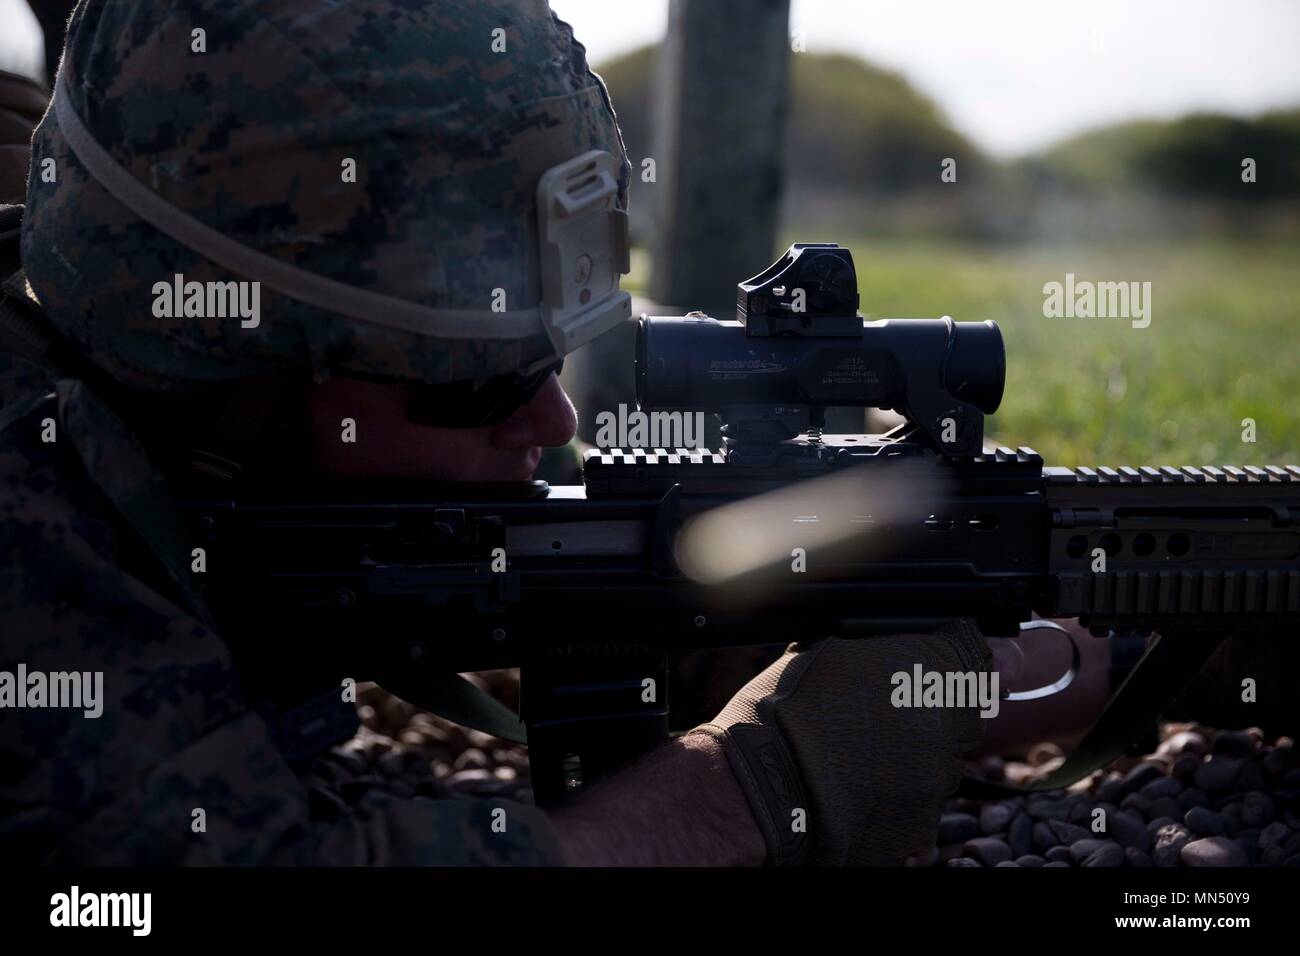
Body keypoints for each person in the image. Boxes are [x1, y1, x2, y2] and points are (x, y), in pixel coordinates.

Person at [0, 0, 991, 866]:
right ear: (234, 380)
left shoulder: (240, 368)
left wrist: (761, 594)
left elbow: (539, 533)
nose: (552, 418)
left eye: (546, 357)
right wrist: (757, 783)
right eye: (474, 384)